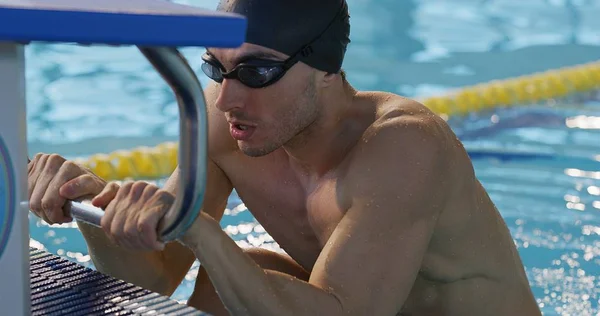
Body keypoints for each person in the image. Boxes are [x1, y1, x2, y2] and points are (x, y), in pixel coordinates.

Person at [27, 0, 542, 315]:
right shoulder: (229, 120)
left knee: (236, 270)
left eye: (256, 72)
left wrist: (202, 231)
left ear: (326, 68)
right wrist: (94, 207)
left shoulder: (404, 147)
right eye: (217, 69)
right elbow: (152, 278)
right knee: (238, 279)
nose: (229, 98)